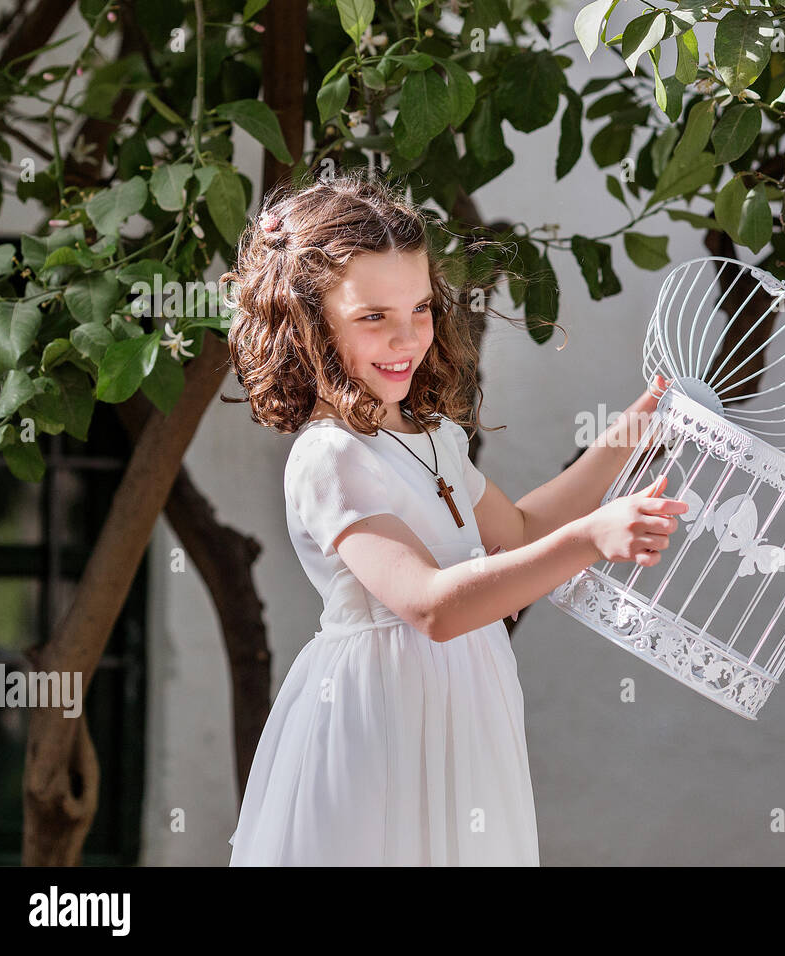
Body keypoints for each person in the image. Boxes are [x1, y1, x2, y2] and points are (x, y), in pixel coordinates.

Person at [219, 172, 686, 865]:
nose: (405, 337)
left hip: (464, 709)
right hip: (378, 722)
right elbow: (433, 607)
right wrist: (591, 539)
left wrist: (621, 442)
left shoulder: (433, 435)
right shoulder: (330, 455)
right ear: (307, 321)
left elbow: (520, 532)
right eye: (372, 316)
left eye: (420, 308)